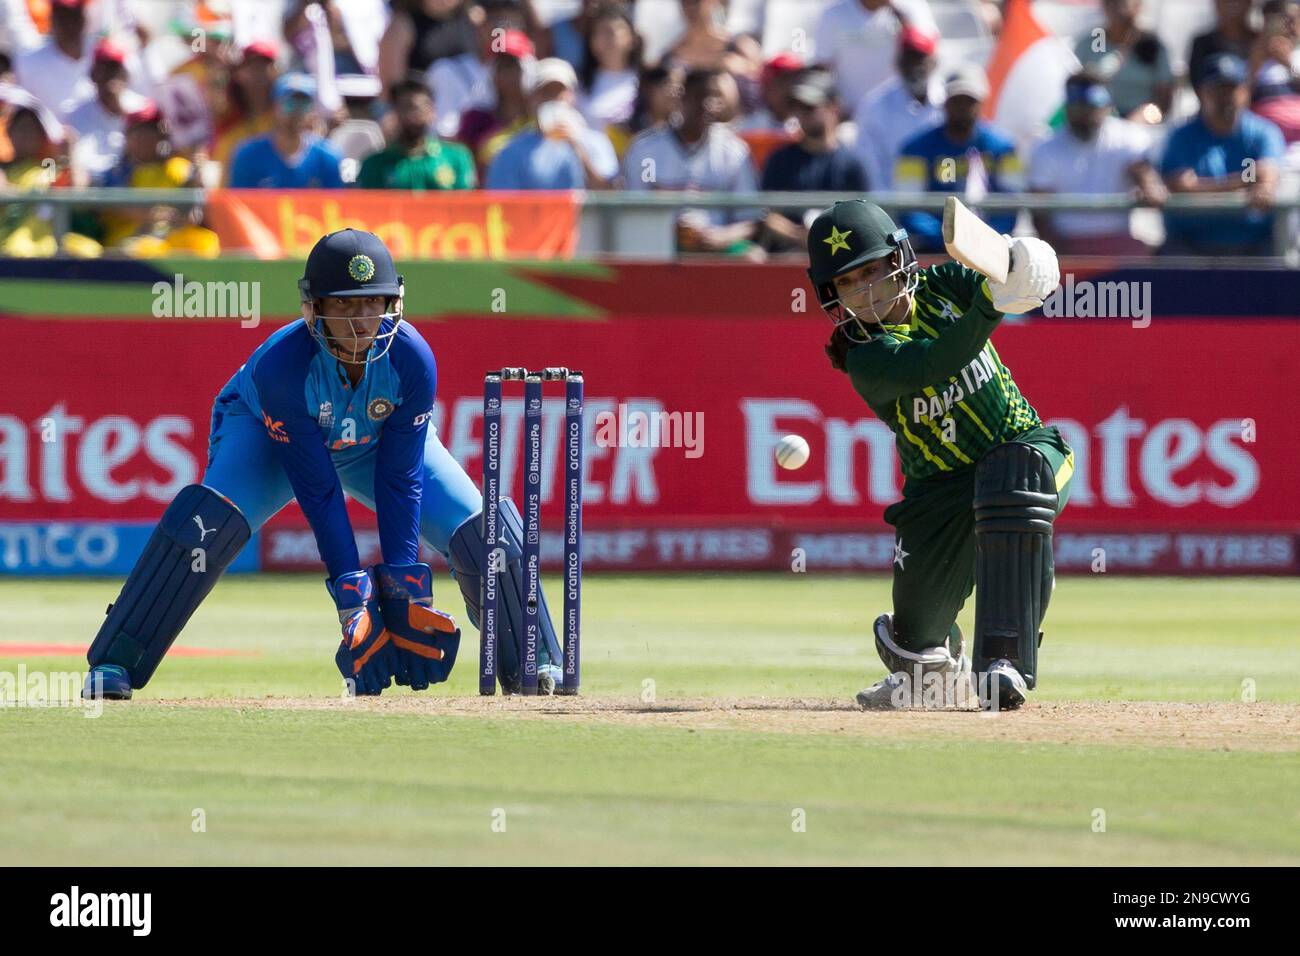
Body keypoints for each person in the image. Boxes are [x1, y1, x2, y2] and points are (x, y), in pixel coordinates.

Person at [84, 229, 564, 701]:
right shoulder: (282, 367)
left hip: (372, 445)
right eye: (345, 306)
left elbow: (401, 479)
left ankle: (533, 658)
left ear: (393, 303)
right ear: (313, 309)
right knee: (205, 527)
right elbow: (317, 490)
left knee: (481, 531)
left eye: (373, 304)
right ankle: (115, 660)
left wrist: (404, 589)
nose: (361, 321)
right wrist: (351, 596)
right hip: (264, 436)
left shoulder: (413, 359)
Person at [806, 200, 1068, 710]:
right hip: (939, 493)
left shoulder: (945, 284)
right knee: (912, 639)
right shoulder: (867, 358)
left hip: (1026, 447)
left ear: (899, 260)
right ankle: (933, 664)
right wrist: (992, 306)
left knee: (1011, 481)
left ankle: (1004, 661)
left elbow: (1004, 283)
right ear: (830, 296)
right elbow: (935, 360)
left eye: (870, 272)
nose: (862, 291)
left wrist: (1026, 265)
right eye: (845, 283)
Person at [622, 67, 759, 256]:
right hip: (659, 244)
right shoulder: (646, 150)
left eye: (715, 98)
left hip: (716, 244)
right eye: (701, 96)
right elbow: (632, 212)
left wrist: (719, 237)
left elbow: (750, 220)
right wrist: (670, 229)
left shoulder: (733, 150)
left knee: (753, 257)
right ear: (681, 98)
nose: (708, 104)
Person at [1028, 70, 1165, 255]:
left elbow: (1143, 173)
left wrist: (1149, 186)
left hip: (1118, 241)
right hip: (1066, 244)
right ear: (1067, 108)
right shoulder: (1045, 148)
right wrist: (1058, 255)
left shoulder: (1129, 137)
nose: (1087, 115)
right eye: (1079, 107)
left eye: (1093, 107)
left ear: (1107, 107)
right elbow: (1039, 214)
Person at [1160, 53, 1285, 256]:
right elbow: (1180, 186)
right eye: (1218, 89)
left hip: (1252, 243)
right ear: (1201, 93)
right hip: (1191, 244)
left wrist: (1203, 186)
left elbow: (1267, 179)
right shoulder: (1181, 136)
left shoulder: (1263, 132)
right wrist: (1244, 182)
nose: (1225, 97)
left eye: (1232, 89)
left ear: (1245, 92)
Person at [894, 64, 1022, 252]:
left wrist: (986, 239)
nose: (962, 107)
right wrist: (947, 239)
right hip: (935, 250)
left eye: (969, 100)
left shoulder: (1005, 148)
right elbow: (909, 207)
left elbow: (1012, 203)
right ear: (945, 101)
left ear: (981, 102)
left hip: (991, 250)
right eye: (957, 100)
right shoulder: (913, 150)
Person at [760, 72, 868, 251]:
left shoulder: (852, 164)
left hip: (841, 259)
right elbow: (767, 215)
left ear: (834, 107)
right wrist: (800, 236)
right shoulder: (779, 161)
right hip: (787, 257)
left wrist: (827, 241)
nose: (802, 114)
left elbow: (862, 219)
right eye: (798, 107)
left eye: (810, 107)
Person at [485, 57, 618, 189]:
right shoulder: (511, 152)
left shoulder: (597, 142)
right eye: (545, 92)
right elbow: (505, 205)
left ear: (573, 97)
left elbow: (609, 195)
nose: (553, 97)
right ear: (531, 99)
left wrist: (576, 147)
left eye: (559, 91)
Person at [851, 23, 944, 189]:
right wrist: (891, 209)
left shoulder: (950, 102)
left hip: (944, 202)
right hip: (892, 205)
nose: (915, 66)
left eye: (921, 58)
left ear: (934, 62)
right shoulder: (875, 105)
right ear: (898, 62)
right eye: (909, 58)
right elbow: (868, 168)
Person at [813, 0, 938, 113]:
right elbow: (822, 69)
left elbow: (926, 55)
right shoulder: (833, 13)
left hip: (903, 114)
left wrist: (904, 22)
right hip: (850, 114)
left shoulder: (913, 7)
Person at [355, 74, 476, 189]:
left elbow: (467, 205)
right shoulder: (375, 164)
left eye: (417, 108)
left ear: (432, 111)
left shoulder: (455, 158)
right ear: (394, 112)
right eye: (404, 107)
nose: (411, 115)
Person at [227, 74, 345, 189]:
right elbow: (238, 204)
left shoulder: (328, 157)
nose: (297, 111)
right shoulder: (248, 156)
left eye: (304, 104)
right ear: (274, 107)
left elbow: (335, 205)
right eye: (290, 103)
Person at [63, 39, 149, 184]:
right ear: (93, 74)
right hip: (92, 191)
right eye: (104, 69)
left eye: (115, 69)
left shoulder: (143, 109)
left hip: (134, 186)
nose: (111, 76)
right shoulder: (75, 113)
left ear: (126, 74)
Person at [1073, 0, 1173, 122]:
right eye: (1112, 3)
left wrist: (1144, 117)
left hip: (1142, 129)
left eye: (1123, 4)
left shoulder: (1154, 46)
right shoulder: (1088, 45)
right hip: (1097, 126)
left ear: (1138, 6)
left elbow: (1164, 100)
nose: (1118, 10)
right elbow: (1075, 89)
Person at [455, 29, 535, 173]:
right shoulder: (475, 120)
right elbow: (465, 167)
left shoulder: (540, 118)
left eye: (513, 66)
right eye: (501, 67)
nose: (507, 74)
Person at [11, 0, 93, 119]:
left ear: (84, 19)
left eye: (74, 16)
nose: (69, 24)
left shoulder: (101, 56)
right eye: (62, 17)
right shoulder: (28, 62)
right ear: (52, 19)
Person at [576, 2, 641, 147]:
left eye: (611, 31)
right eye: (598, 32)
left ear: (632, 38)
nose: (605, 39)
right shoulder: (577, 84)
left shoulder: (645, 82)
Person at [211, 40, 279, 170]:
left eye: (264, 66)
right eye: (252, 66)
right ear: (237, 74)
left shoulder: (285, 115)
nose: (259, 73)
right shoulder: (227, 118)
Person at [1189, 0, 1259, 87]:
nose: (1232, 5)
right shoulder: (1202, 45)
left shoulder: (1263, 41)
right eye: (1226, 1)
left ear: (1250, 3)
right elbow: (1198, 85)